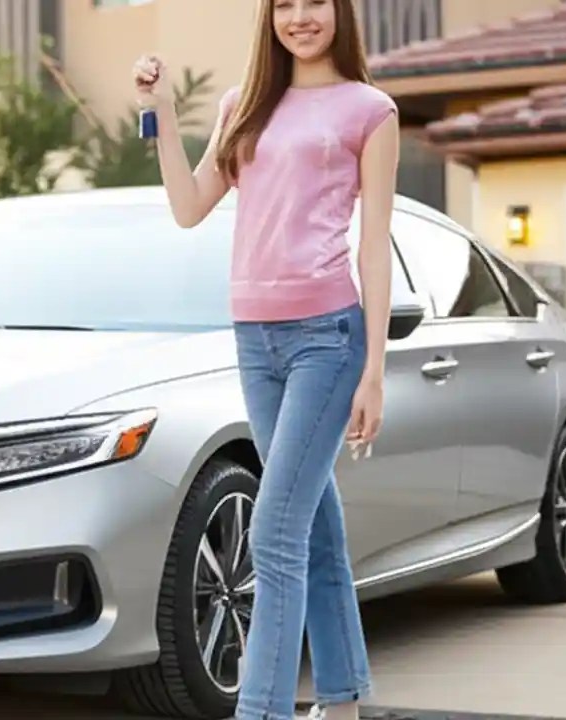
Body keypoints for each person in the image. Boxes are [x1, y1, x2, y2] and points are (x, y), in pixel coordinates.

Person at [132, 0, 399, 718]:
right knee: (312, 528)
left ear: (340, 12)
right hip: (254, 337)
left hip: (328, 338)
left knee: (273, 530)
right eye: (284, 3)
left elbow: (374, 247)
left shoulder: (369, 110)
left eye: (315, 2)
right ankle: (343, 701)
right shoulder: (242, 106)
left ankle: (262, 712)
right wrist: (157, 111)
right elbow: (189, 207)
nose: (300, 17)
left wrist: (374, 367)